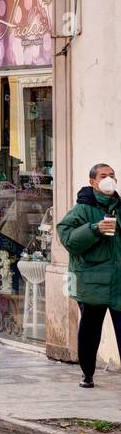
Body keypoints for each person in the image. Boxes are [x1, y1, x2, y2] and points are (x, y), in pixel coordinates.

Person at [56, 162, 121, 388]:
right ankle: (87, 373)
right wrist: (94, 229)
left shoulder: (118, 207)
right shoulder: (82, 209)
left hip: (118, 282)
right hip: (92, 281)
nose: (109, 179)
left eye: (112, 175)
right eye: (103, 175)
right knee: (90, 332)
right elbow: (67, 239)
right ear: (93, 181)